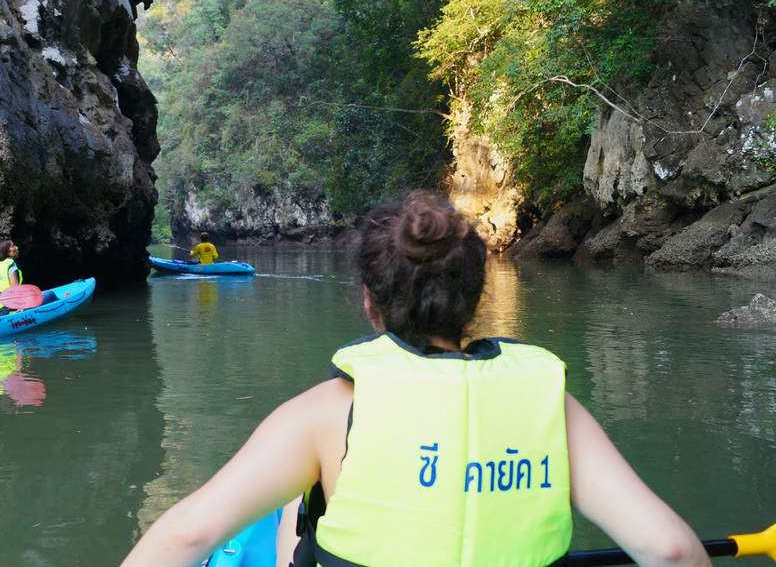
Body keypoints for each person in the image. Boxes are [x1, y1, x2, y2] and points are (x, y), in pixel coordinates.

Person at [122, 191, 708, 567]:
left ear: (369, 302)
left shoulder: (324, 414)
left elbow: (183, 539)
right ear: (474, 296)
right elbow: (674, 552)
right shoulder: (551, 406)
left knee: (298, 513)